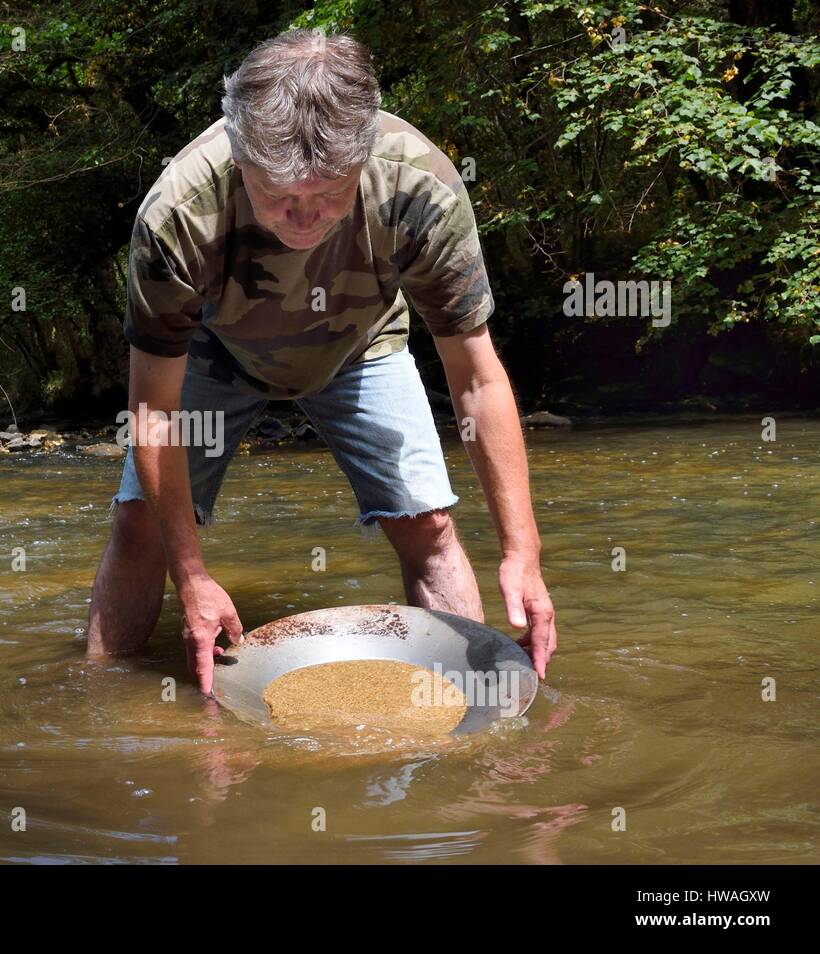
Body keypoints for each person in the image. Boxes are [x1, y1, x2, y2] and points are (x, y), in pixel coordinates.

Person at [86, 28, 557, 694]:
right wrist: (191, 577)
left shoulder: (421, 186)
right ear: (240, 158)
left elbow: (477, 377)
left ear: (364, 161)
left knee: (426, 521)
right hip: (213, 348)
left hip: (361, 341)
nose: (303, 220)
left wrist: (523, 550)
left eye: (329, 196)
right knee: (141, 525)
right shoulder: (177, 213)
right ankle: (100, 704)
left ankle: (472, 703)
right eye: (278, 197)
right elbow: (154, 411)